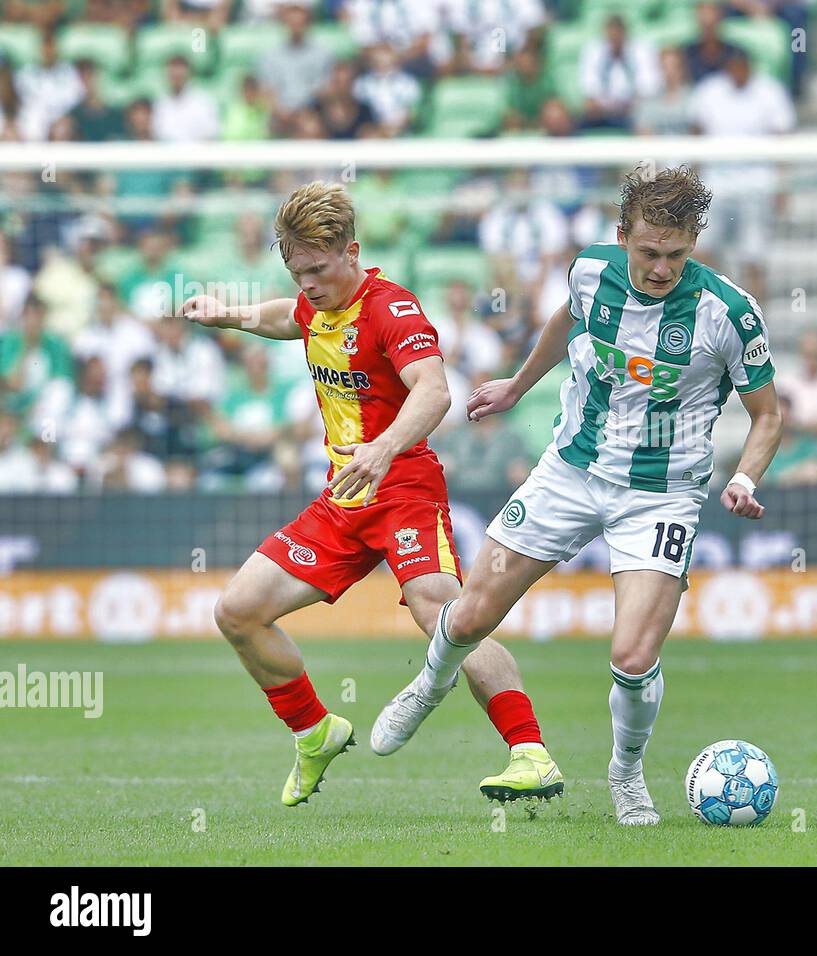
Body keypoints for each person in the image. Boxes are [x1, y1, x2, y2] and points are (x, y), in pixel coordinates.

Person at [370, 166, 782, 825]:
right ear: (622, 238)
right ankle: (429, 682)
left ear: (693, 245)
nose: (659, 269)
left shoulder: (728, 312)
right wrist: (517, 386)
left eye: (676, 255)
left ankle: (626, 773)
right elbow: (567, 321)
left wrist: (742, 478)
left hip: (661, 495)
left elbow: (768, 415)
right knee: (472, 614)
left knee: (633, 655)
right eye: (647, 253)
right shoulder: (591, 270)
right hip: (570, 471)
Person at [179, 182, 558, 807]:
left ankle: (529, 752)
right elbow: (290, 318)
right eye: (297, 272)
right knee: (237, 611)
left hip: (403, 485)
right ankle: (315, 730)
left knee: (445, 615)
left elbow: (434, 391)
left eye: (319, 271)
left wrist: (383, 449)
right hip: (343, 499)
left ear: (351, 252)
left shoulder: (392, 309)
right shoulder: (315, 306)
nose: (308, 285)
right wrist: (233, 315)